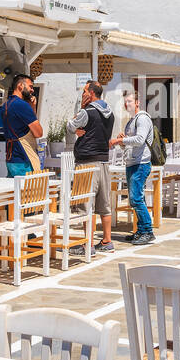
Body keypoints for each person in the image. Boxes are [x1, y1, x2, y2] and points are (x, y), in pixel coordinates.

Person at [67, 80, 116, 252]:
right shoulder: (110, 113)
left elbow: (70, 125)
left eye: (84, 91)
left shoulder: (86, 111)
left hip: (86, 162)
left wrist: (80, 110)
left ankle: (88, 244)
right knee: (104, 204)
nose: (82, 94)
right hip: (103, 161)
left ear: (91, 93)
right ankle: (107, 241)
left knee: (86, 204)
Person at [110, 89, 155, 245]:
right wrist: (122, 142)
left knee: (136, 199)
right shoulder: (131, 121)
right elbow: (129, 145)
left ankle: (148, 231)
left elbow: (140, 139)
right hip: (132, 163)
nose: (126, 104)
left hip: (140, 164)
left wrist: (119, 141)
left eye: (129, 101)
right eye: (125, 102)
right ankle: (141, 230)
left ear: (137, 102)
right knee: (137, 198)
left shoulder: (142, 119)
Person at [3, 74, 43, 177]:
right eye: (30, 86)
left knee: (14, 187)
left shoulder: (6, 105)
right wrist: (32, 108)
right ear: (20, 86)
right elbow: (38, 133)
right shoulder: (22, 105)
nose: (32, 90)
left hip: (12, 158)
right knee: (30, 187)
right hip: (24, 158)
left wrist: (31, 107)